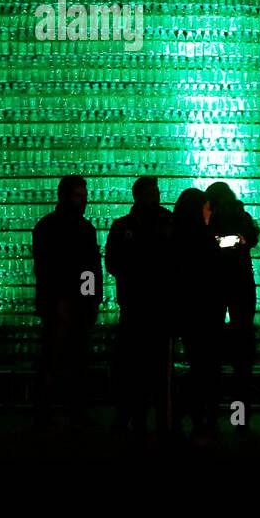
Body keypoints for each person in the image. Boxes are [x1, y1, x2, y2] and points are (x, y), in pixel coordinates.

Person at [32, 174, 103, 428]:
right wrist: (88, 299)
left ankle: (51, 412)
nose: (84, 201)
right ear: (65, 196)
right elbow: (82, 269)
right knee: (64, 358)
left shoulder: (50, 227)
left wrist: (90, 300)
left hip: (65, 304)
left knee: (64, 359)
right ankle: (66, 412)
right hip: (63, 304)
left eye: (84, 196)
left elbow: (88, 268)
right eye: (79, 196)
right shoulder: (76, 228)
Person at [105, 177, 173, 438]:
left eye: (154, 192)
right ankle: (154, 422)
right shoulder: (163, 223)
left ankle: (134, 420)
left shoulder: (126, 226)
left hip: (142, 305)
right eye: (149, 193)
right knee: (146, 367)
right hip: (148, 306)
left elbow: (112, 263)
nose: (153, 197)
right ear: (138, 196)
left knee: (136, 367)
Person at [205, 182, 260, 429]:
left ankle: (210, 414)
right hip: (241, 285)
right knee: (242, 357)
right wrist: (234, 242)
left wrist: (219, 243)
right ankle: (240, 416)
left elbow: (208, 244)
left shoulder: (208, 219)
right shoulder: (242, 216)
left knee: (211, 353)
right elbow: (249, 238)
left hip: (215, 286)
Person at [171, 187, 218, 440]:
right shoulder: (201, 238)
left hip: (186, 311)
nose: (211, 212)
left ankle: (182, 416)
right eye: (208, 207)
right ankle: (189, 416)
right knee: (203, 367)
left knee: (199, 365)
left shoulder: (175, 236)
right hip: (202, 311)